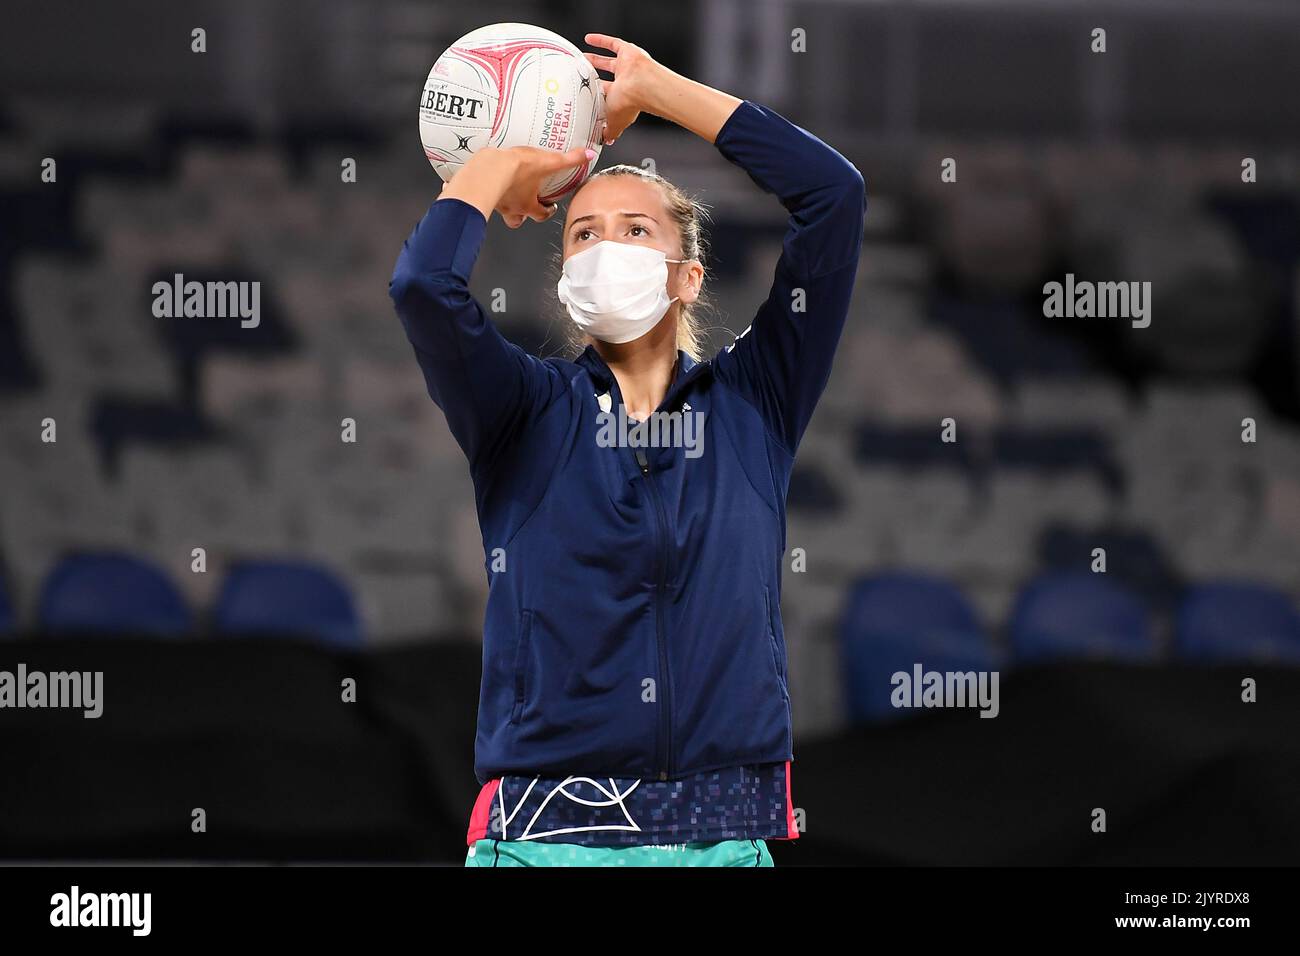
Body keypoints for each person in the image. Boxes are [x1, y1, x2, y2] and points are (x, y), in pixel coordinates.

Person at [389, 32, 866, 867]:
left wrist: (662, 91)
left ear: (687, 275)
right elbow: (424, 287)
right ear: (565, 278)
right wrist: (501, 166)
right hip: (545, 839)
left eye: (636, 230)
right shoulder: (520, 412)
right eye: (583, 234)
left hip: (723, 834)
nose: (606, 249)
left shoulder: (757, 401)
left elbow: (836, 197)